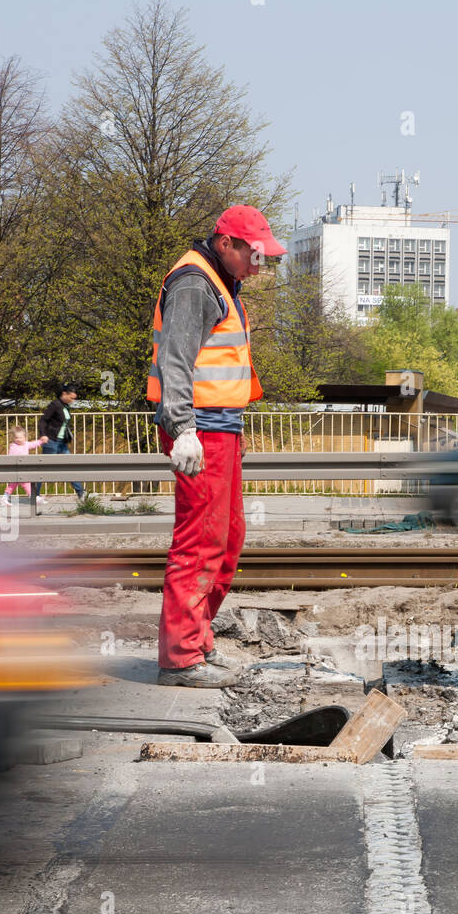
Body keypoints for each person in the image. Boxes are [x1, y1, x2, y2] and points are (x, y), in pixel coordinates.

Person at [146, 204, 285, 688]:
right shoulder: (194, 282)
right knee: (200, 541)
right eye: (254, 255)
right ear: (226, 243)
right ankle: (180, 660)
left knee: (227, 538)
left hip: (220, 429)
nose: (258, 265)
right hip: (199, 429)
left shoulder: (221, 282)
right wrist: (183, 429)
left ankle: (198, 641)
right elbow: (176, 363)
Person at [38, 385, 85, 504]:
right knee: (43, 470)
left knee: (70, 467)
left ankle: (81, 493)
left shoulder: (65, 406)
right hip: (51, 441)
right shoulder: (55, 405)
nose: (73, 401)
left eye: (74, 399)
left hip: (61, 443)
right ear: (64, 394)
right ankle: (35, 495)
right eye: (71, 398)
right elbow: (43, 420)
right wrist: (43, 434)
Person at [3, 425, 48, 505]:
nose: (19, 440)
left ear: (25, 438)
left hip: (21, 470)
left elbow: (34, 444)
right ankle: (34, 498)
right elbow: (11, 458)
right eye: (17, 438)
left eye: (21, 437)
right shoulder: (13, 446)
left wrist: (41, 441)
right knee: (24, 484)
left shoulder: (26, 444)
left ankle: (5, 497)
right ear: (14, 438)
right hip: (17, 470)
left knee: (14, 485)